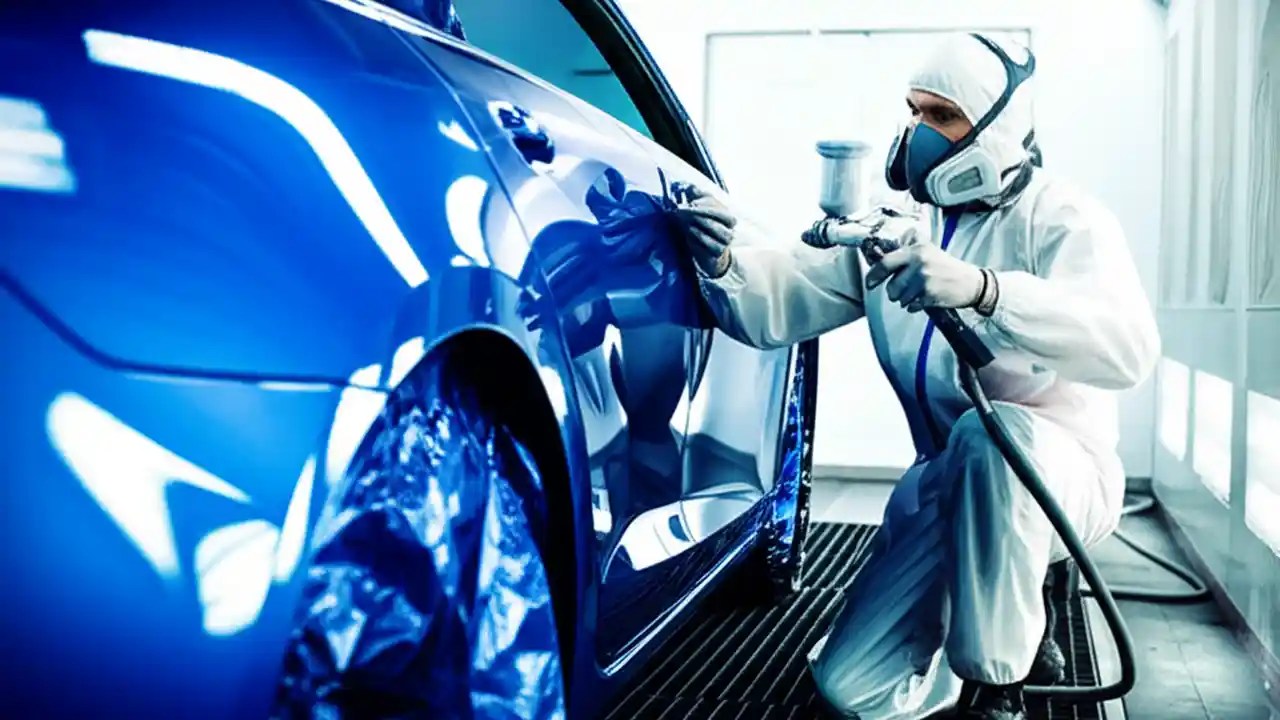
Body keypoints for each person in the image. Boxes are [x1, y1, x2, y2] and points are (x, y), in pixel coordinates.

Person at [673, 33, 1160, 720]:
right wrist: (725, 263)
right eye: (913, 111)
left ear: (996, 129)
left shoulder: (1063, 218)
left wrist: (987, 291)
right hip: (946, 479)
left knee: (991, 440)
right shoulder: (902, 228)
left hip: (1058, 476)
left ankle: (1000, 685)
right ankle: (996, 608)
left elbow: (1127, 349)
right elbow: (780, 300)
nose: (917, 133)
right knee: (853, 689)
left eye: (941, 115)